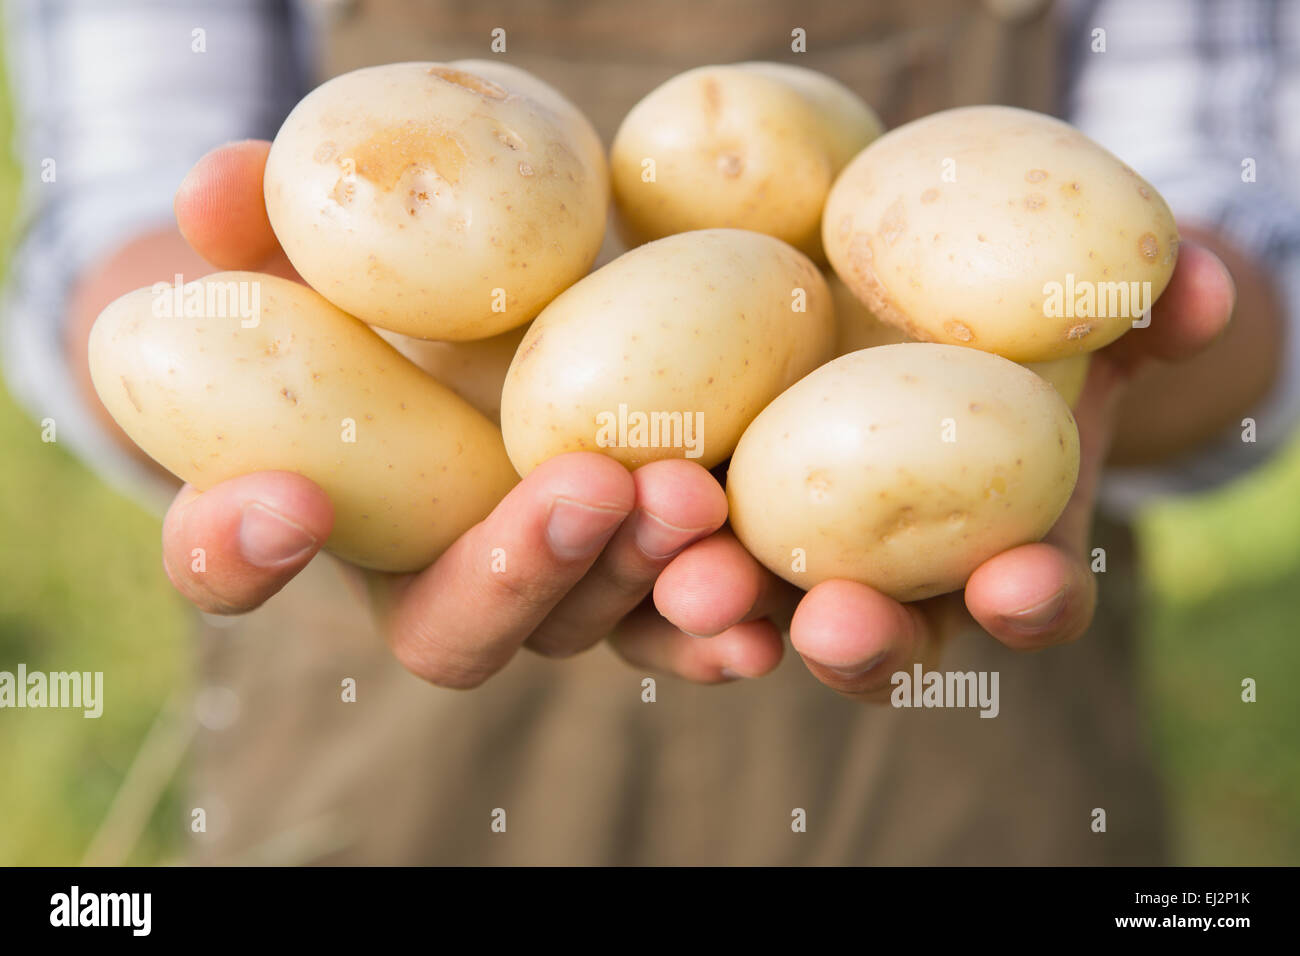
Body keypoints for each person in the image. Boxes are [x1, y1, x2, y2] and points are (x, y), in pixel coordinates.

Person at [3, 0, 1295, 864]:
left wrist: (1138, 356)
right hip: (371, 673)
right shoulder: (460, 213)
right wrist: (176, 341)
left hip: (975, 705)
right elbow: (115, 187)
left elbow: (1226, 211)